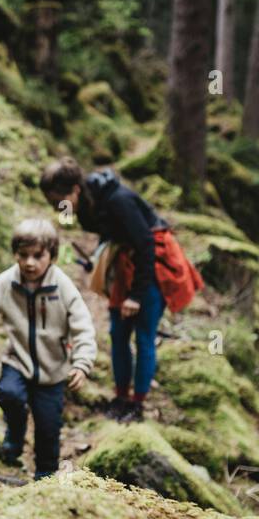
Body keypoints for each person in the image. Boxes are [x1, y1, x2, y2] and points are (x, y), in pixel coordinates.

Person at [40, 157, 165, 421]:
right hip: (124, 267)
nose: (58, 208)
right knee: (118, 334)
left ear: (75, 189)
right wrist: (97, 261)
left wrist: (136, 295)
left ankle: (137, 405)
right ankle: (120, 398)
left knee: (144, 337)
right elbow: (111, 235)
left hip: (150, 269)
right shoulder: (88, 205)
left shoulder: (119, 201)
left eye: (59, 201)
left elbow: (145, 244)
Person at [0, 219, 96, 478]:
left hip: (53, 371)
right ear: (15, 254)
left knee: (48, 426)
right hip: (17, 360)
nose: (29, 262)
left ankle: (45, 475)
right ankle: (15, 434)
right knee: (9, 394)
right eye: (23, 255)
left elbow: (83, 326)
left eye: (37, 256)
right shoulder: (7, 282)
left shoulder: (62, 286)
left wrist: (82, 363)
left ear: (51, 255)